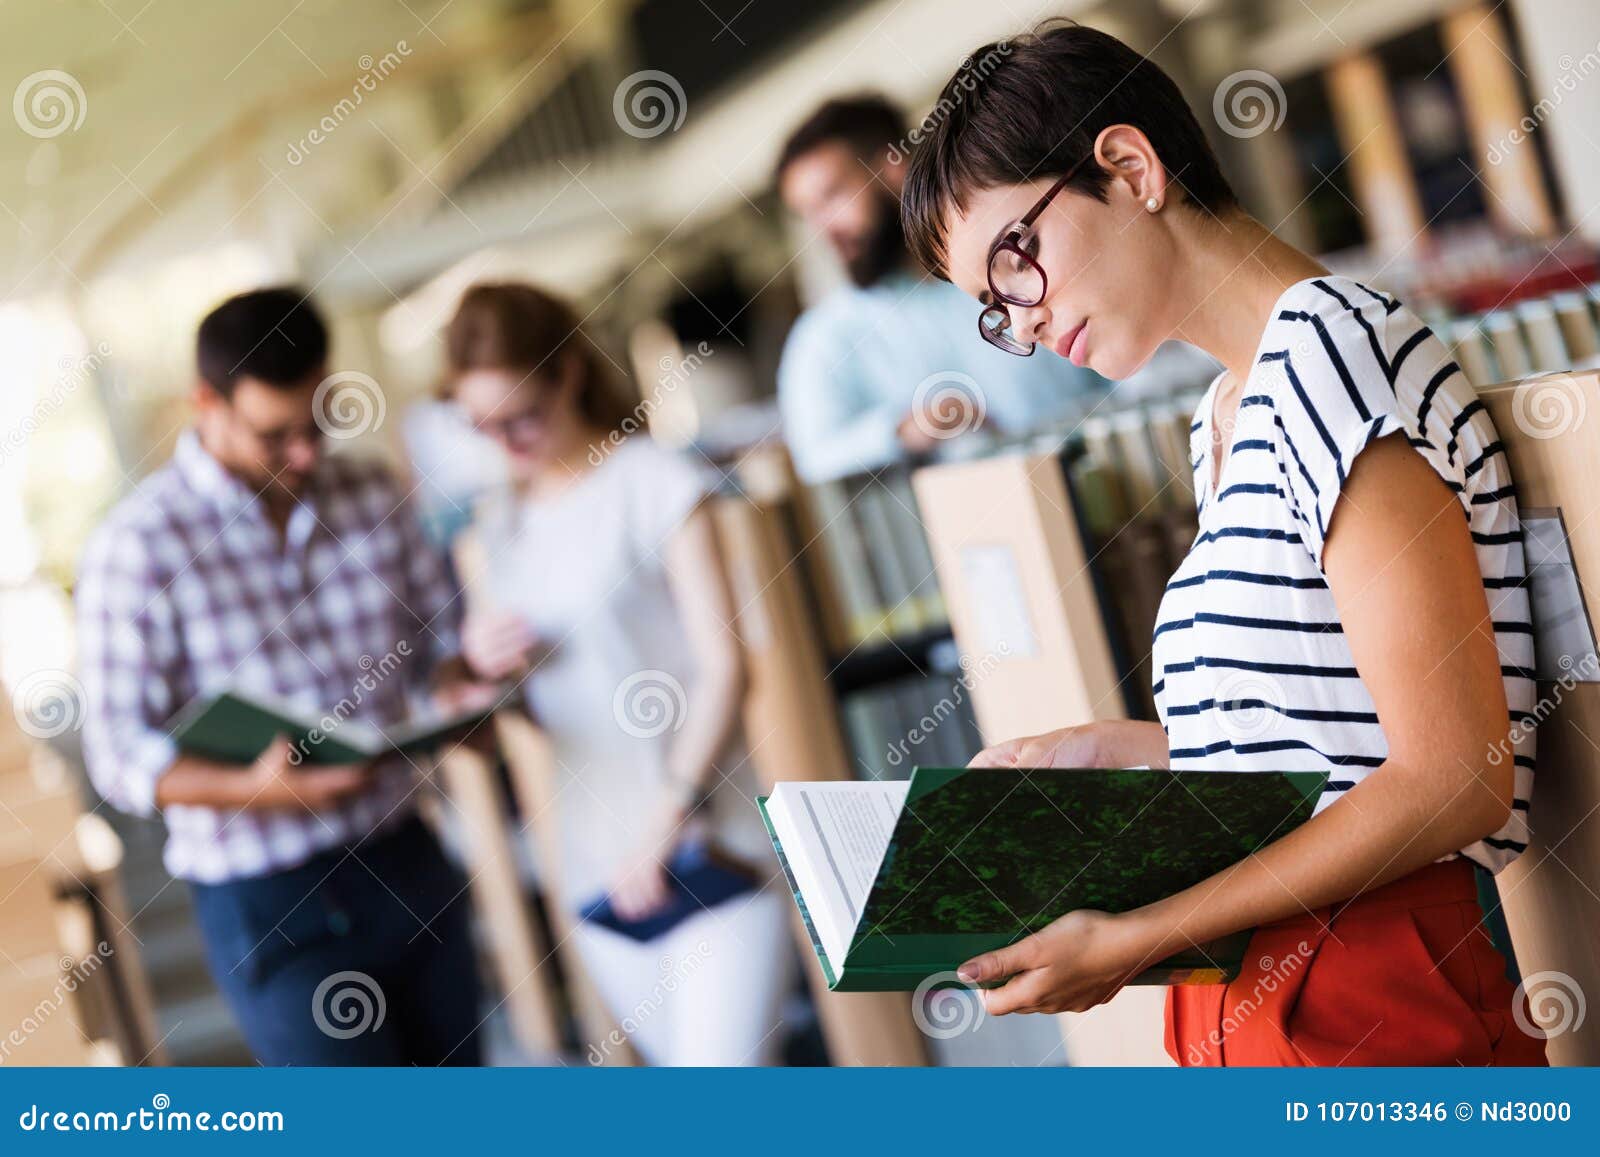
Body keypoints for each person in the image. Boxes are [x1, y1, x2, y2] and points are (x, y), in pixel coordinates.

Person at [900, 20, 1544, 1066]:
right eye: (992, 310)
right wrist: (1144, 751)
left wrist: (1142, 934)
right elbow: (1333, 744)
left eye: (1014, 264)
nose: (1022, 323)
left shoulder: (1332, 353)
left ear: (1127, 166)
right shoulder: (1228, 410)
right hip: (1260, 996)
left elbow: (1451, 773)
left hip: (1375, 998)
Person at [77, 288, 486, 1066]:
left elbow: (439, 646)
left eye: (317, 425)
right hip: (269, 899)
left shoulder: (370, 491)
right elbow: (120, 755)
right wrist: (258, 789)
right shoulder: (138, 547)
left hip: (407, 859)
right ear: (206, 403)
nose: (304, 454)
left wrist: (462, 686)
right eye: (274, 435)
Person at [444, 282, 792, 1066]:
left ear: (567, 374)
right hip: (596, 863)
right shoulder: (501, 528)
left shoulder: (653, 481)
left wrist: (670, 815)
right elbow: (536, 711)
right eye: (482, 426)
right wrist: (485, 674)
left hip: (708, 837)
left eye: (520, 415)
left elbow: (723, 662)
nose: (506, 441)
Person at [774, 94, 1109, 483]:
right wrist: (905, 429)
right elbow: (814, 455)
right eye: (809, 212)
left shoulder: (1017, 263)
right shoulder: (824, 337)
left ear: (892, 167)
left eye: (832, 196)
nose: (825, 229)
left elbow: (1126, 367)